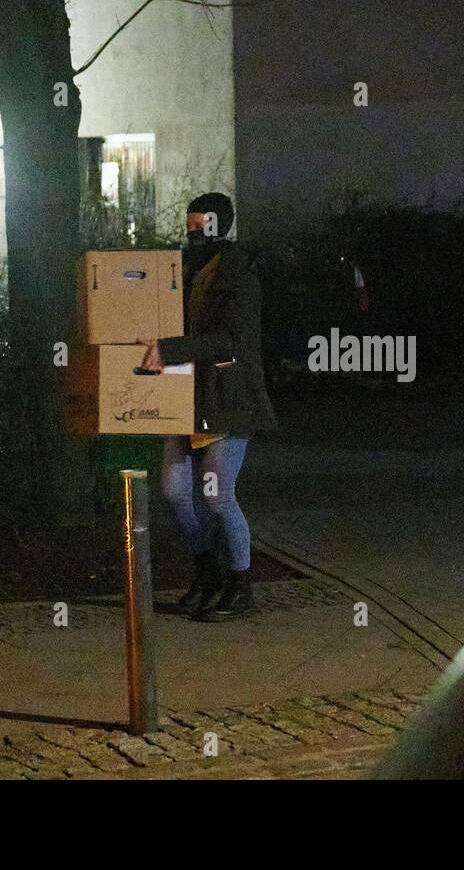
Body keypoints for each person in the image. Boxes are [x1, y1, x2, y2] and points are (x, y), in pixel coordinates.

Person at [137, 193, 277, 621]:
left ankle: (240, 585)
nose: (194, 234)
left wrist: (170, 349)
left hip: (226, 398)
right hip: (183, 397)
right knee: (176, 494)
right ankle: (208, 572)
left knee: (217, 496)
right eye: (190, 227)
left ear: (220, 224)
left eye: (201, 226)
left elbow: (231, 340)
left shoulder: (238, 272)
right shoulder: (182, 271)